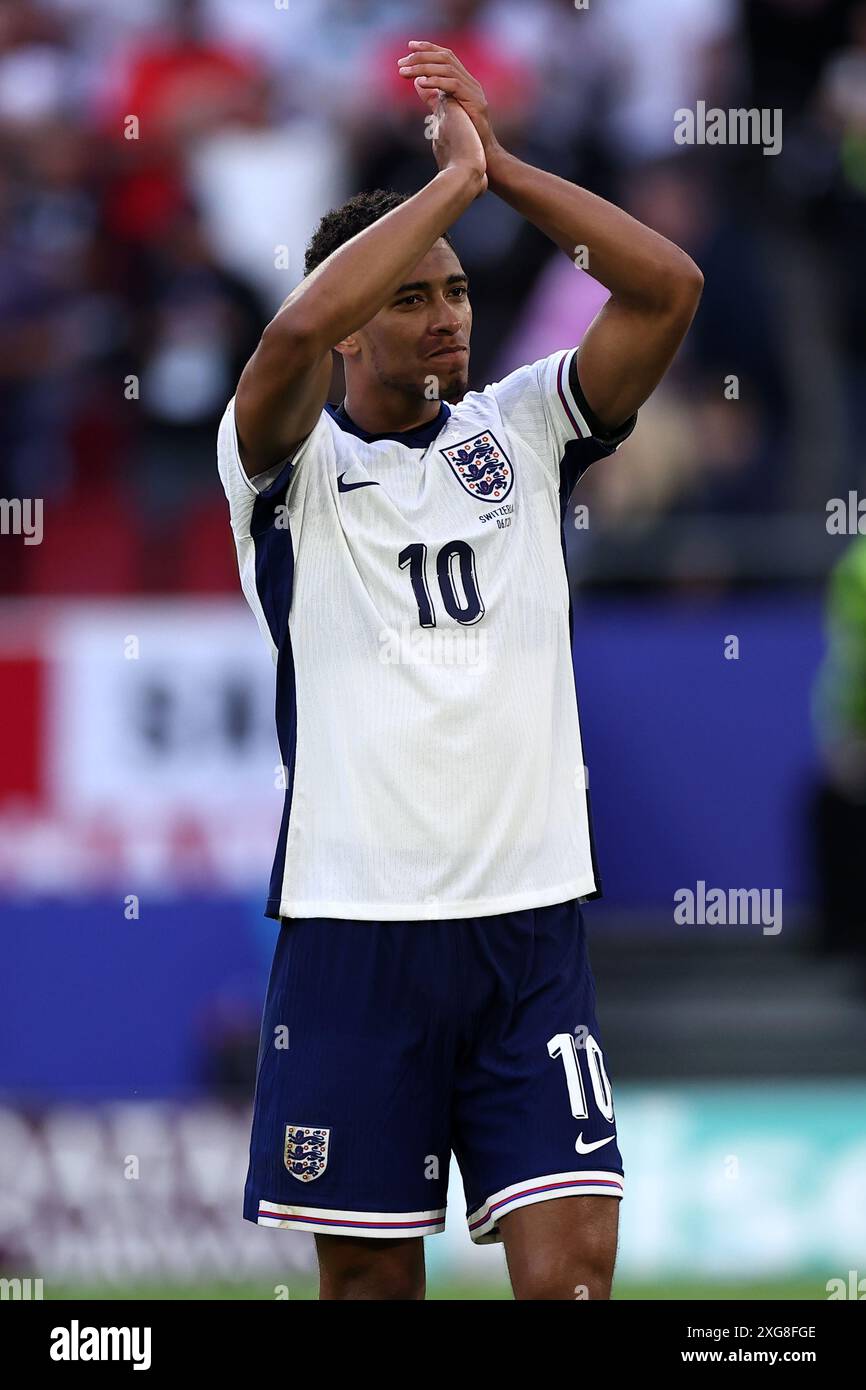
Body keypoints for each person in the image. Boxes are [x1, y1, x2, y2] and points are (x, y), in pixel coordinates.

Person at [217, 41, 702, 1300]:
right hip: (356, 926)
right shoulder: (286, 467)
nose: (446, 315)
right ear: (354, 320)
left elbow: (664, 287)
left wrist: (502, 173)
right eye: (412, 296)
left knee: (574, 1278)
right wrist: (445, 188)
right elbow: (292, 330)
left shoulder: (523, 427)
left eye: (456, 291)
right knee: (374, 1292)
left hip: (528, 922)